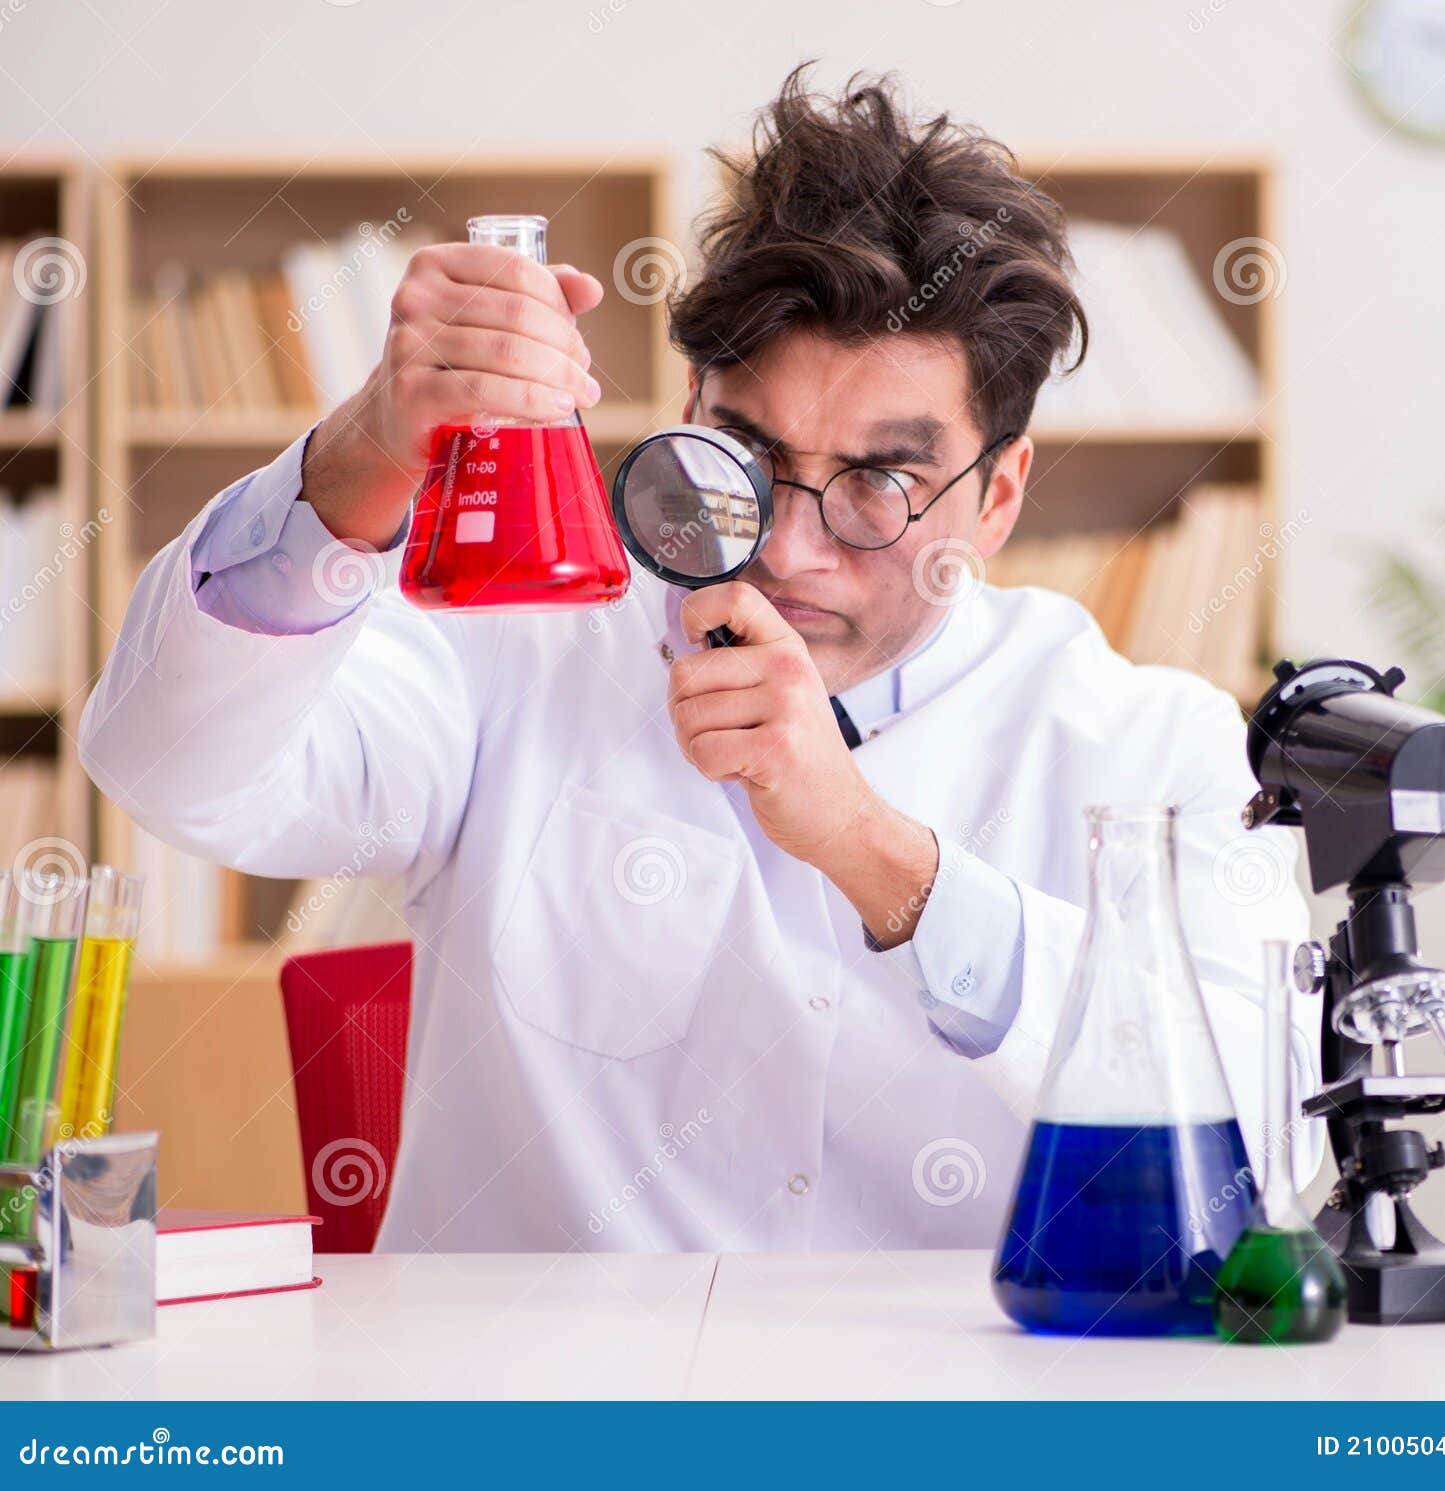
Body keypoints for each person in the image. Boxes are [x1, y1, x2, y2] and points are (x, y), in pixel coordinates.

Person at [81, 68, 1316, 1253]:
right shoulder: (515, 639)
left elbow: (1273, 1130)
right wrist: (361, 454)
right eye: (744, 455)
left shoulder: (1149, 741)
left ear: (998, 497)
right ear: (686, 405)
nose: (784, 547)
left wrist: (877, 856)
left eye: (881, 482)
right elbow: (166, 766)